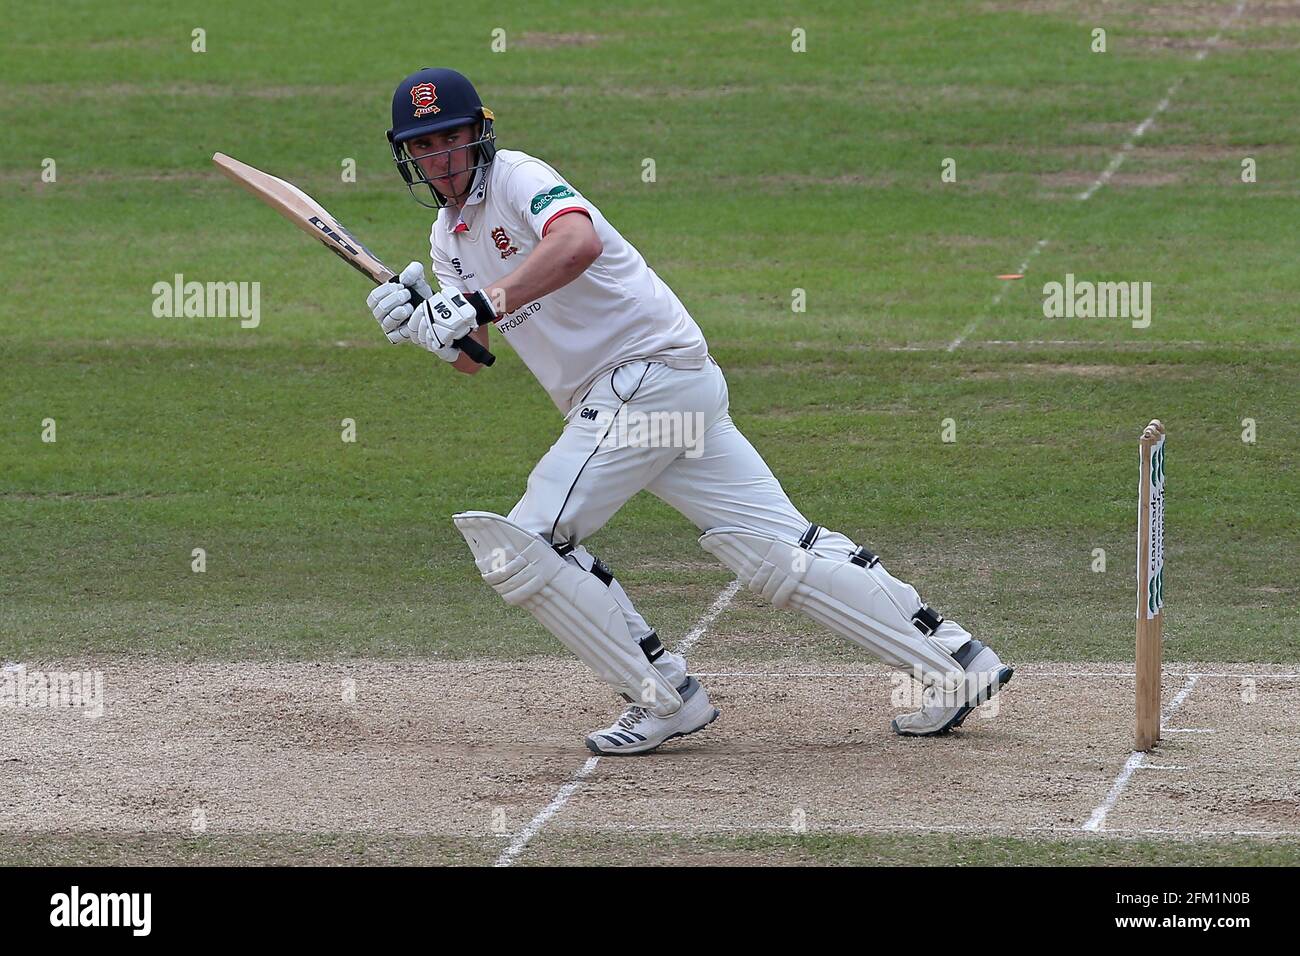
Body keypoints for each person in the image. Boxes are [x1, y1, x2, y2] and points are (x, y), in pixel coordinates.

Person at [366, 67, 1014, 755]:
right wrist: (422, 327)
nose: (440, 157)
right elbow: (474, 353)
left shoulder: (519, 178)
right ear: (408, 154)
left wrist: (479, 303)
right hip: (665, 392)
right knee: (776, 554)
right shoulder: (448, 237)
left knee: (525, 546)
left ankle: (663, 697)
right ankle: (955, 664)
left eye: (452, 138)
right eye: (425, 145)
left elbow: (576, 243)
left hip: (643, 382)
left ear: (480, 136)